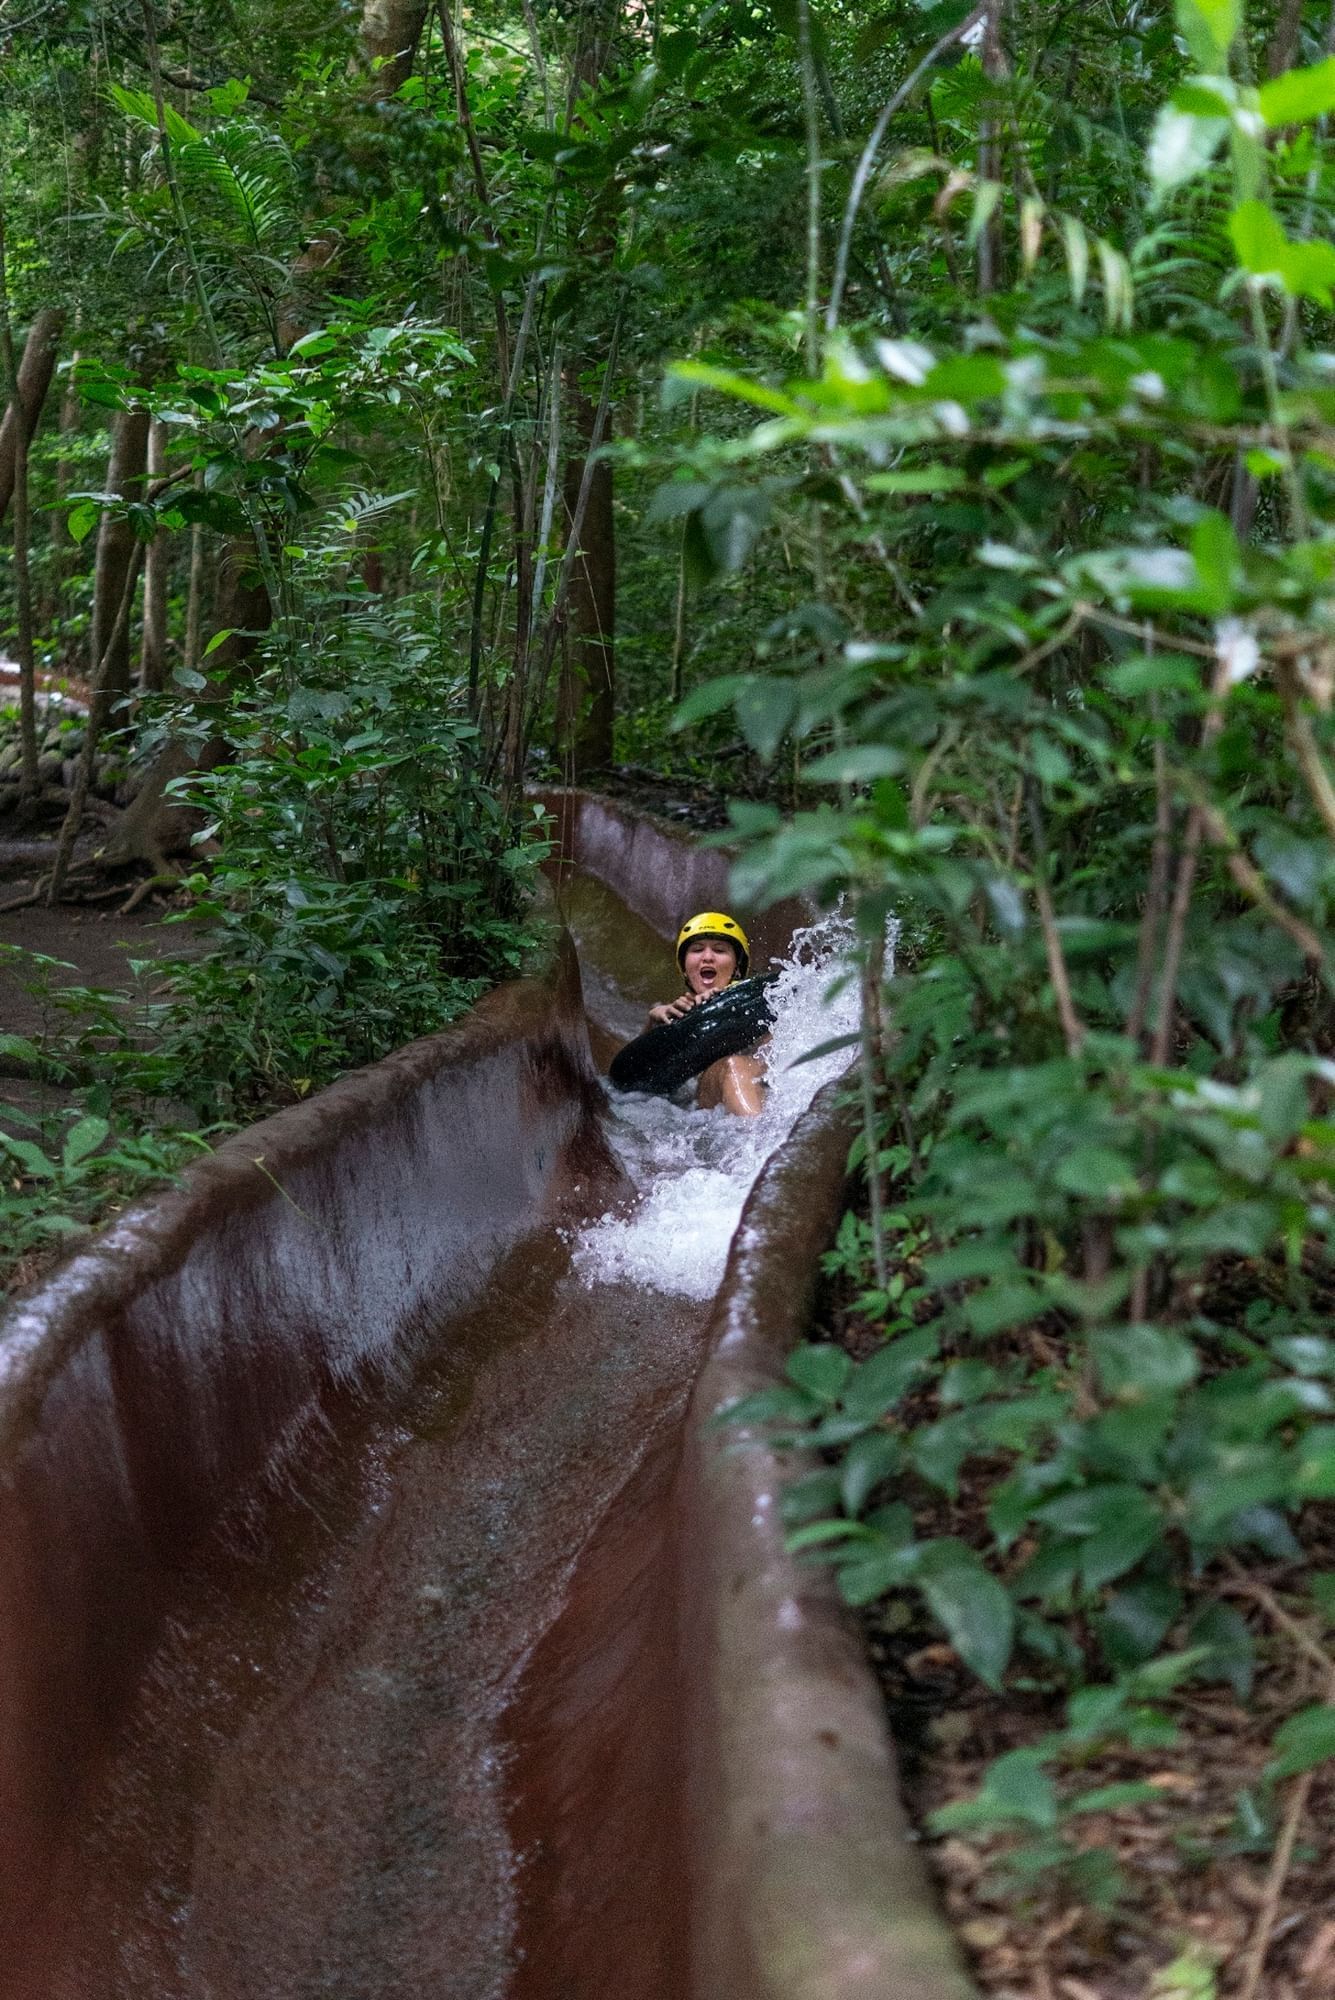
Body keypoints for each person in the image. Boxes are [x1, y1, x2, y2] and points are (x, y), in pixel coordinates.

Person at [647, 910, 767, 1117]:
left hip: (761, 1079)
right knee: (732, 1066)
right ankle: (757, 1133)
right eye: (697, 950)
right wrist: (653, 1024)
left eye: (720, 950)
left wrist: (724, 1003)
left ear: (737, 967)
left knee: (736, 1065)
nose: (708, 957)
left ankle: (761, 1136)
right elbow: (635, 1081)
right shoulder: (675, 1015)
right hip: (707, 1098)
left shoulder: (763, 1004)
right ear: (684, 968)